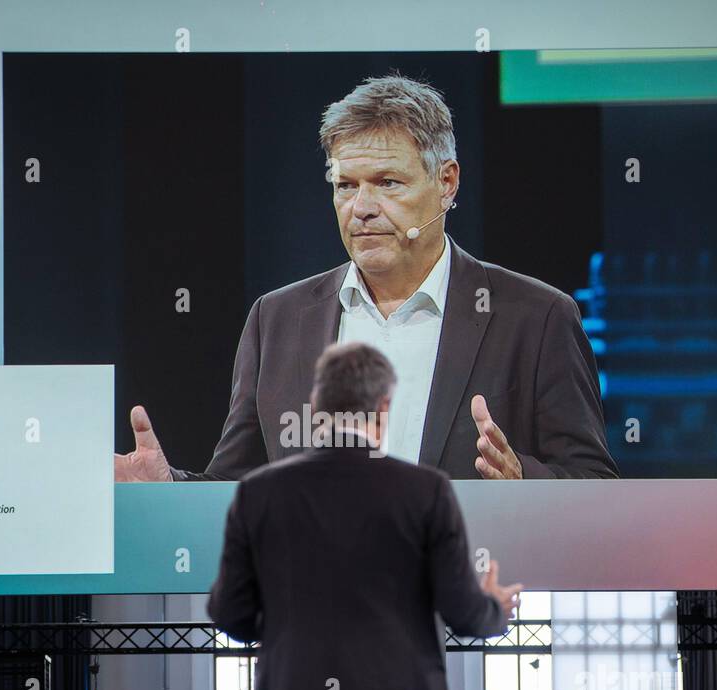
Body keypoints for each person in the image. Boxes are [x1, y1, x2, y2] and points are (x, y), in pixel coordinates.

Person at [114, 73, 617, 483]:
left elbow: (594, 482)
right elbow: (240, 487)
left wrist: (522, 482)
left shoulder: (537, 316)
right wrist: (169, 490)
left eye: (387, 183)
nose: (362, 208)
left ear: (446, 182)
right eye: (346, 185)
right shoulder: (278, 319)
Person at [208, 341, 523, 690]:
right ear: (383, 408)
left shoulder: (259, 493)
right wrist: (496, 606)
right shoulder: (426, 491)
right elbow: (466, 614)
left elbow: (232, 617)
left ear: (315, 408)